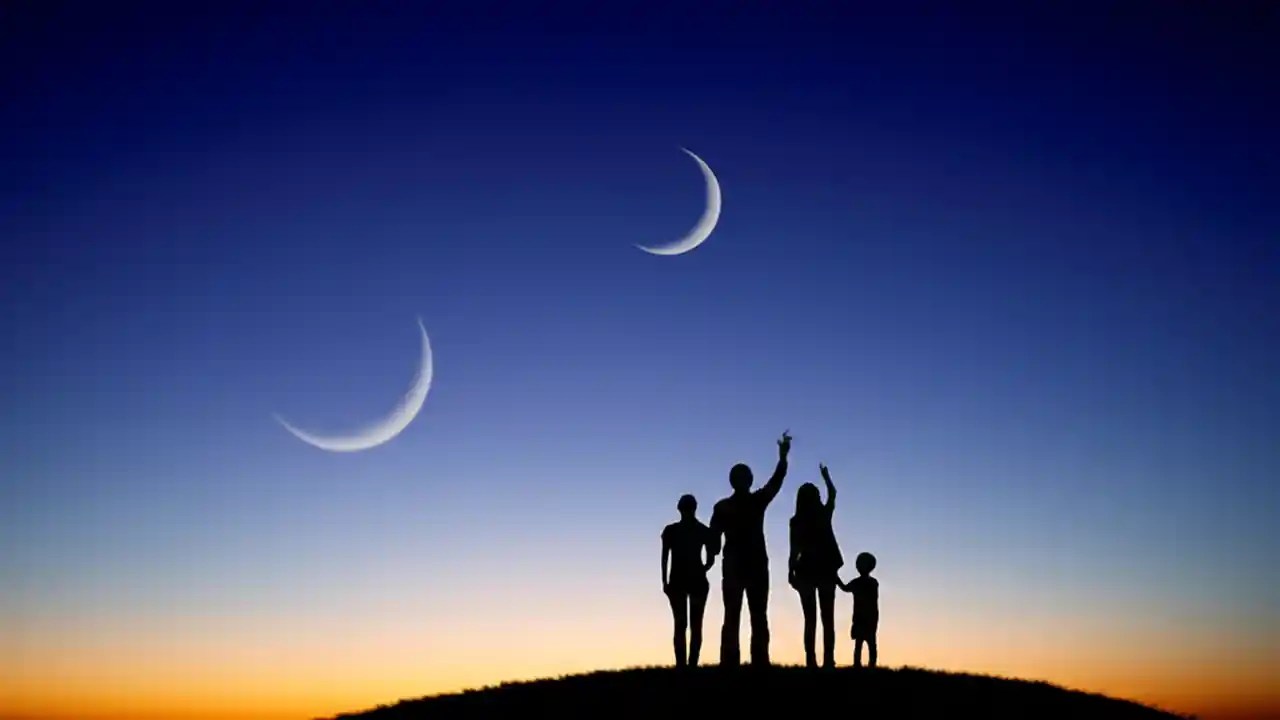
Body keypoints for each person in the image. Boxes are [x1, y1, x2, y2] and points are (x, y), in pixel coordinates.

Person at [708, 430, 792, 667]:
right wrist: (783, 458)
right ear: (749, 480)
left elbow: (713, 541)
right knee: (757, 616)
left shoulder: (722, 507)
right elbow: (776, 483)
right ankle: (760, 663)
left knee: (733, 616)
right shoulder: (756, 502)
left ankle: (730, 663)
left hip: (736, 567)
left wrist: (709, 555)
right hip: (754, 566)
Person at [787, 462, 843, 667]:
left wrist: (790, 570)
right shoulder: (823, 515)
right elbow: (833, 495)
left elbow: (793, 549)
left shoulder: (797, 520)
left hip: (806, 570)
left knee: (810, 619)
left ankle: (812, 660)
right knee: (827, 618)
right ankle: (827, 659)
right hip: (824, 569)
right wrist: (826, 477)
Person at [661, 494, 715, 667]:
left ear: (680, 509)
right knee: (693, 625)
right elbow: (711, 556)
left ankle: (683, 666)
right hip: (693, 581)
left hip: (680, 581)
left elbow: (664, 558)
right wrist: (704, 568)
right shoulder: (702, 530)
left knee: (682, 624)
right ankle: (689, 665)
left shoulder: (671, 531)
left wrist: (665, 582)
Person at [838, 551, 879, 668]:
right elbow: (846, 588)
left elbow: (845, 588)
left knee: (861, 643)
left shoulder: (859, 583)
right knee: (869, 643)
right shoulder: (873, 583)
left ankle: (859, 664)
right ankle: (869, 665)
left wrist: (836, 579)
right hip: (869, 617)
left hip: (862, 617)